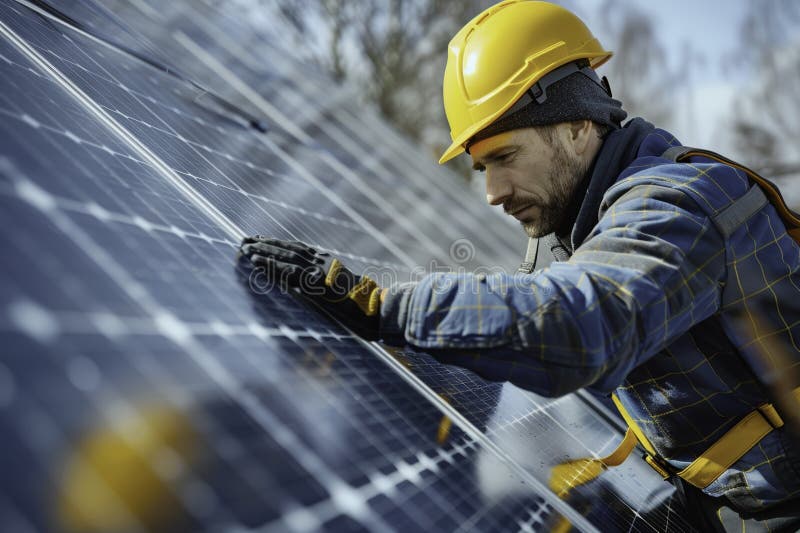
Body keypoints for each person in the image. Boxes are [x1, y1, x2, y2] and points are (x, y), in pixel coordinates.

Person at [239, 1, 800, 530]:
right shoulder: (578, 223)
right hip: (722, 505)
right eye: (482, 167)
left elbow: (581, 324)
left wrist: (388, 309)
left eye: (504, 158)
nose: (493, 193)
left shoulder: (677, 205)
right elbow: (519, 336)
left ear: (578, 125)